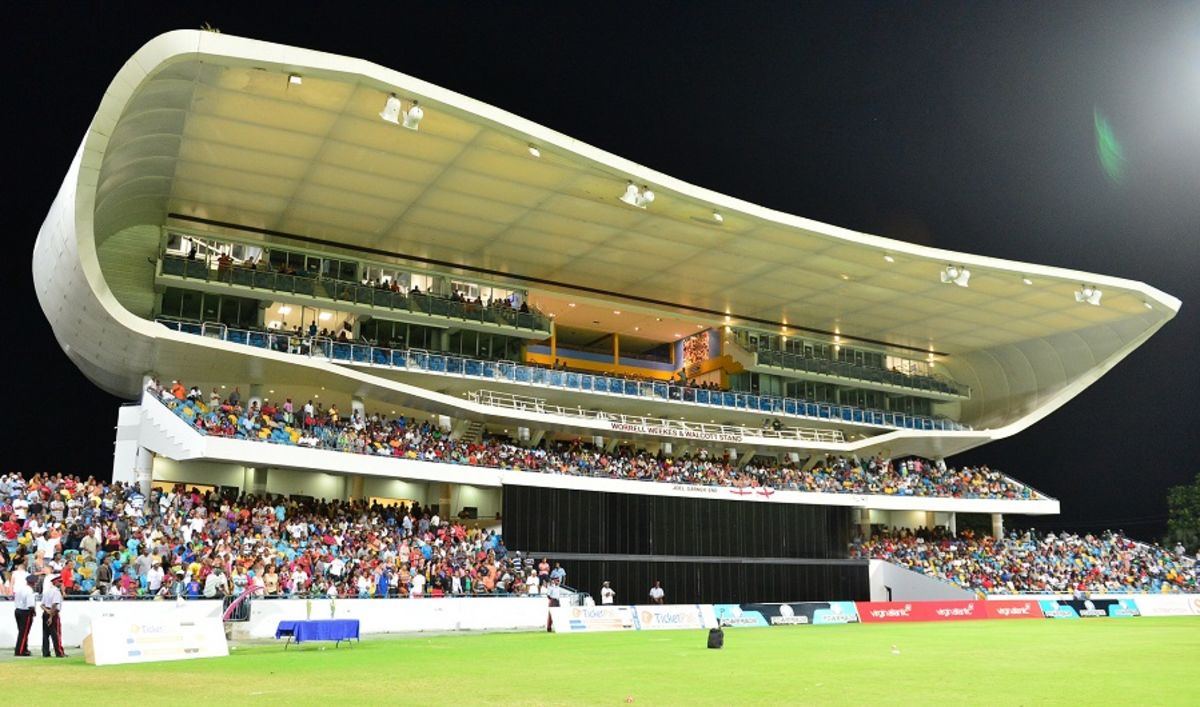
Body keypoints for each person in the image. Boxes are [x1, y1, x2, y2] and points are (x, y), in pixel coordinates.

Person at [41, 573, 66, 657]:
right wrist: (51, 616)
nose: (62, 583)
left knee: (45, 635)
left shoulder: (47, 591)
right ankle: (59, 652)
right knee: (56, 634)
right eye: (60, 582)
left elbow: (42, 605)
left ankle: (45, 652)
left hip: (45, 613)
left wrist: (47, 611)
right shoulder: (56, 592)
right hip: (54, 614)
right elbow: (54, 605)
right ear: (56, 582)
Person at [13, 573, 35, 656]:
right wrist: (33, 612)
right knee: (24, 632)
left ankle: (23, 649)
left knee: (22, 632)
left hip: (18, 610)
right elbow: (30, 605)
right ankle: (20, 651)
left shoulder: (20, 589)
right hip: (25, 612)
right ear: (33, 583)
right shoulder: (29, 591)